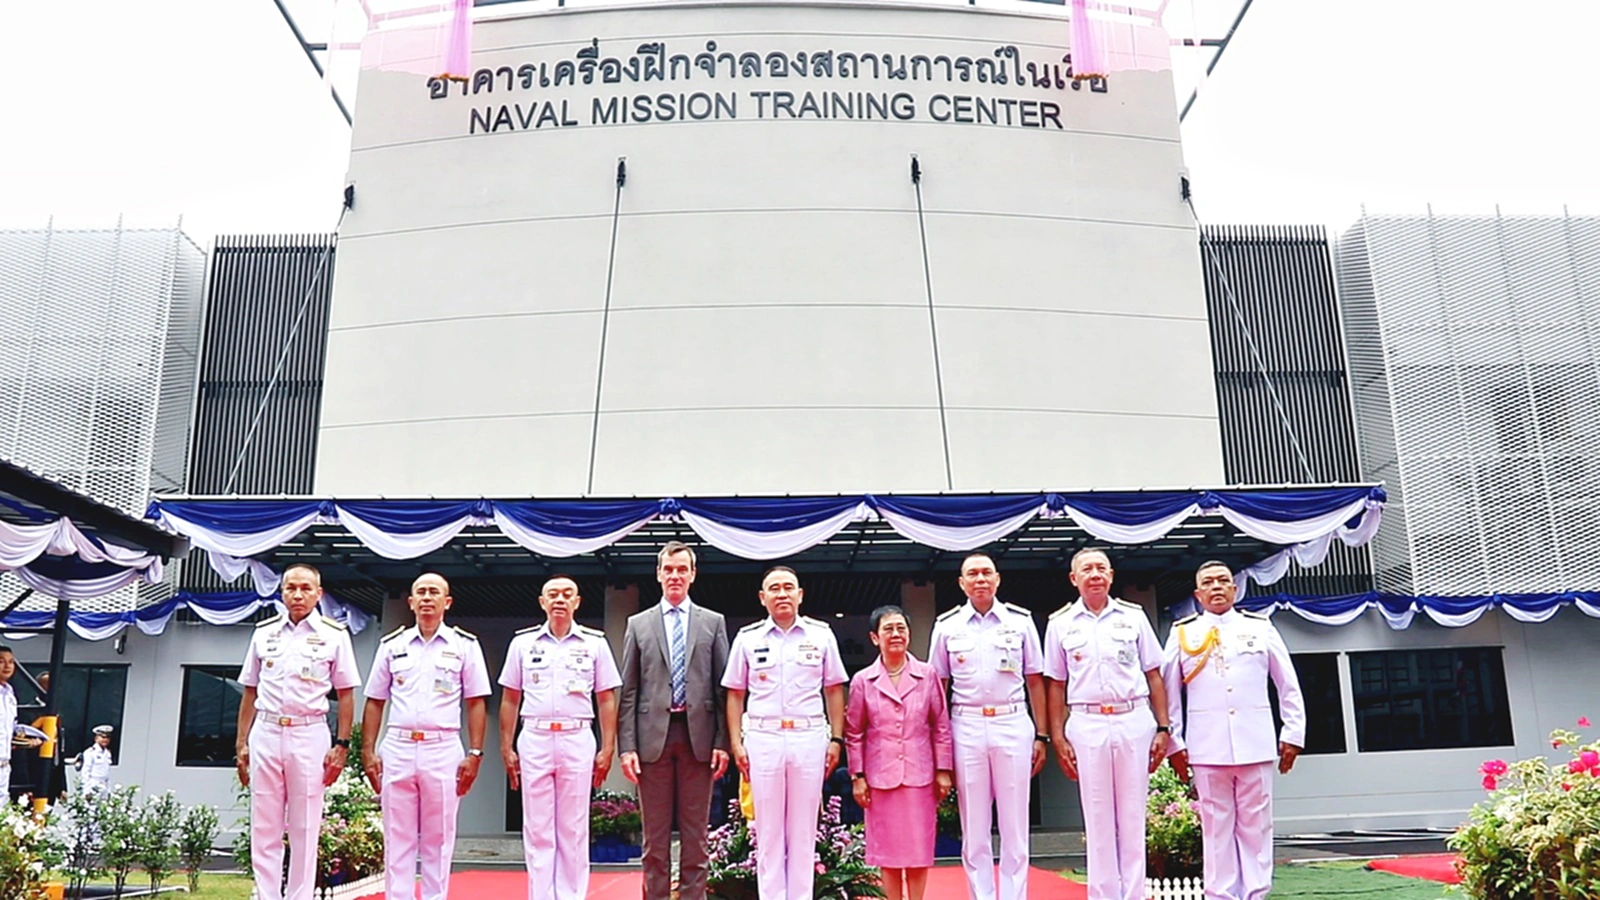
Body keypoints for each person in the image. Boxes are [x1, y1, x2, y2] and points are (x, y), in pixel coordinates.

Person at [1163, 561, 1306, 900]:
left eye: (1223, 581)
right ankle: (1221, 894)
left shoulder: (1260, 627)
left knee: (1257, 826)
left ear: (1235, 589)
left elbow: (1287, 683)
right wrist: (1174, 742)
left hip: (1254, 741)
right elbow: (1169, 694)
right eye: (1208, 582)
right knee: (1216, 827)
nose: (1216, 587)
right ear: (1197, 594)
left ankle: (1256, 893)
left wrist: (1293, 732)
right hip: (1207, 745)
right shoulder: (1182, 633)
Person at [1043, 549, 1171, 900]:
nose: (1095, 574)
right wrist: (1057, 736)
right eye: (1087, 569)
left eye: (1101, 568)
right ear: (1074, 579)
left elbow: (1154, 675)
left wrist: (1164, 727)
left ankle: (1133, 894)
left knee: (1133, 815)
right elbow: (1056, 684)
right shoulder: (1060, 623)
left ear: (1111, 576)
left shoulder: (1134, 617)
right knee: (1097, 815)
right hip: (1087, 722)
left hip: (1133, 718)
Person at [361, 573, 492, 900]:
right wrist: (368, 750)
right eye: (421, 592)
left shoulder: (464, 645)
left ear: (447, 602)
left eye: (434, 592)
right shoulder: (393, 645)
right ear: (411, 602)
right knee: (397, 835)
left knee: (439, 837)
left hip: (442, 747)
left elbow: (476, 702)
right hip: (399, 746)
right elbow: (375, 701)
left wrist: (475, 753)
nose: (427, 598)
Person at [235, 563, 360, 900]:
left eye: (306, 588)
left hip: (309, 733)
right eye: (291, 588)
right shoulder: (264, 633)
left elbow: (346, 694)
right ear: (282, 593)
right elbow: (250, 690)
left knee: (304, 825)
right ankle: (267, 895)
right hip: (266, 730)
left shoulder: (334, 635)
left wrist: (342, 745)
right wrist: (241, 743)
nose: (298, 595)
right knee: (264, 824)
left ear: (319, 594)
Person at [722, 565, 847, 900]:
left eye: (788, 587)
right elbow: (735, 694)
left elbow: (834, 689)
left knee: (804, 830)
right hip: (763, 737)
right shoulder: (748, 638)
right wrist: (736, 742)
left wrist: (836, 739)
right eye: (774, 588)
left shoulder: (821, 635)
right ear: (762, 598)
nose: (782, 594)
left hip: (809, 736)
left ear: (800, 595)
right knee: (768, 830)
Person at [928, 553, 1046, 900]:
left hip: (1012, 720)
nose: (980, 579)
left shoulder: (1020, 621)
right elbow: (938, 688)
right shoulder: (946, 626)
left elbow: (1035, 680)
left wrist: (1042, 735)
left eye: (986, 573)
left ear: (997, 579)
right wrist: (941, 744)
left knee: (1015, 822)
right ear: (962, 583)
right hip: (966, 724)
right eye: (973, 574)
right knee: (974, 824)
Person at [617, 542, 731, 900]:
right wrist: (627, 746)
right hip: (652, 740)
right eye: (668, 569)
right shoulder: (639, 624)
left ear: (693, 574)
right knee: (655, 839)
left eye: (682, 569)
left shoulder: (713, 622)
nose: (675, 576)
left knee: (696, 837)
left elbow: (723, 688)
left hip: (700, 738)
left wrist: (723, 742)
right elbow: (629, 690)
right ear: (658, 574)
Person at [499, 575, 621, 900]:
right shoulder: (522, 644)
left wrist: (608, 747)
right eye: (553, 594)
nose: (560, 600)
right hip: (535, 735)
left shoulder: (595, 644)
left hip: (577, 736)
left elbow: (606, 699)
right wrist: (506, 746)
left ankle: (571, 895)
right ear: (542, 602)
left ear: (577, 602)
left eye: (567, 594)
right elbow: (510, 698)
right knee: (537, 826)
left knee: (574, 826)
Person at [844, 605, 954, 900]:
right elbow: (854, 732)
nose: (895, 634)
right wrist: (857, 776)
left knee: (918, 851)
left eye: (901, 628)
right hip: (880, 778)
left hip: (920, 775)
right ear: (874, 638)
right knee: (888, 854)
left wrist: (943, 770)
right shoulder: (862, 681)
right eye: (888, 629)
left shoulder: (927, 675)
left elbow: (940, 725)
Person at [73, 725, 116, 795]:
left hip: (104, 785)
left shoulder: (107, 753)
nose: (105, 740)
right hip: (93, 784)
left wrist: (109, 790)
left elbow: (107, 773)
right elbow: (85, 772)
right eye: (103, 737)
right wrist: (87, 791)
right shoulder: (90, 752)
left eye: (108, 737)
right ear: (96, 738)